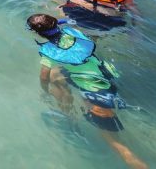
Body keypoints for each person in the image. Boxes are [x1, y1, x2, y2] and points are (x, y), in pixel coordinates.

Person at [25, 13, 148, 169]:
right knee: (57, 75)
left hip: (96, 96)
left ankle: (139, 165)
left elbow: (44, 77)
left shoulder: (48, 51)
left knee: (118, 146)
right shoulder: (73, 32)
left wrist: (45, 91)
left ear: (37, 33)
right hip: (106, 75)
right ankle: (68, 110)